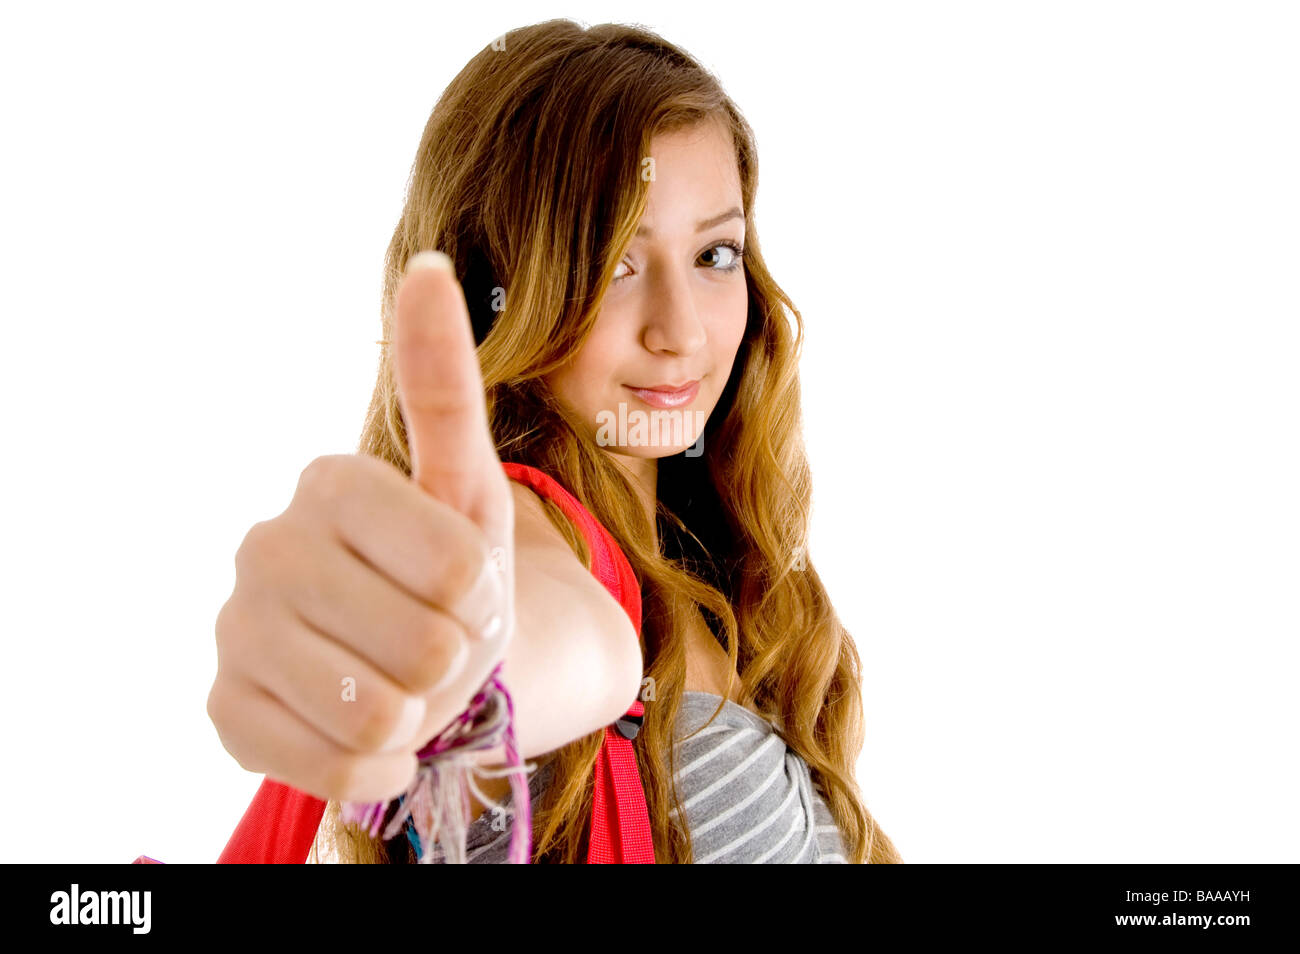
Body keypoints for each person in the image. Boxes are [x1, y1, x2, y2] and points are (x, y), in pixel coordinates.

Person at [207, 18, 902, 864]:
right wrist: (431, 667)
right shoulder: (537, 535)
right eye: (615, 265)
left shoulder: (723, 573)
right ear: (493, 289)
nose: (680, 332)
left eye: (715, 254)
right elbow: (536, 626)